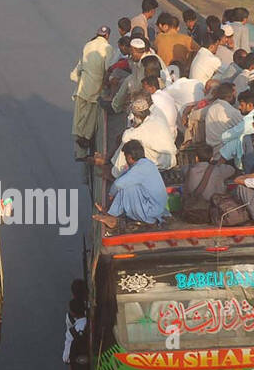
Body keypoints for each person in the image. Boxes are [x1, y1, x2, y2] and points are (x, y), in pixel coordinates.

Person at [92, 140, 169, 229]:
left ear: (129, 157)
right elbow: (125, 176)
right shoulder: (146, 163)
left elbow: (118, 184)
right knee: (127, 185)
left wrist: (111, 194)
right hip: (157, 206)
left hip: (152, 210)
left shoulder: (139, 168)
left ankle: (112, 216)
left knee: (126, 188)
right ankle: (112, 212)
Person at [105, 95, 176, 174]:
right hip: (168, 156)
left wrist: (133, 127)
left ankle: (115, 172)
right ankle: (111, 162)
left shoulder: (144, 128)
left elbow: (124, 137)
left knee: (128, 144)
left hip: (163, 161)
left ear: (137, 116)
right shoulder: (156, 116)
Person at [72, 26, 113, 159]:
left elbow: (81, 65)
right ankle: (86, 147)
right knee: (90, 122)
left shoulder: (88, 45)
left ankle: (79, 153)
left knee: (79, 120)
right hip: (95, 91)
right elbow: (108, 69)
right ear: (107, 36)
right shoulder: (108, 48)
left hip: (82, 88)